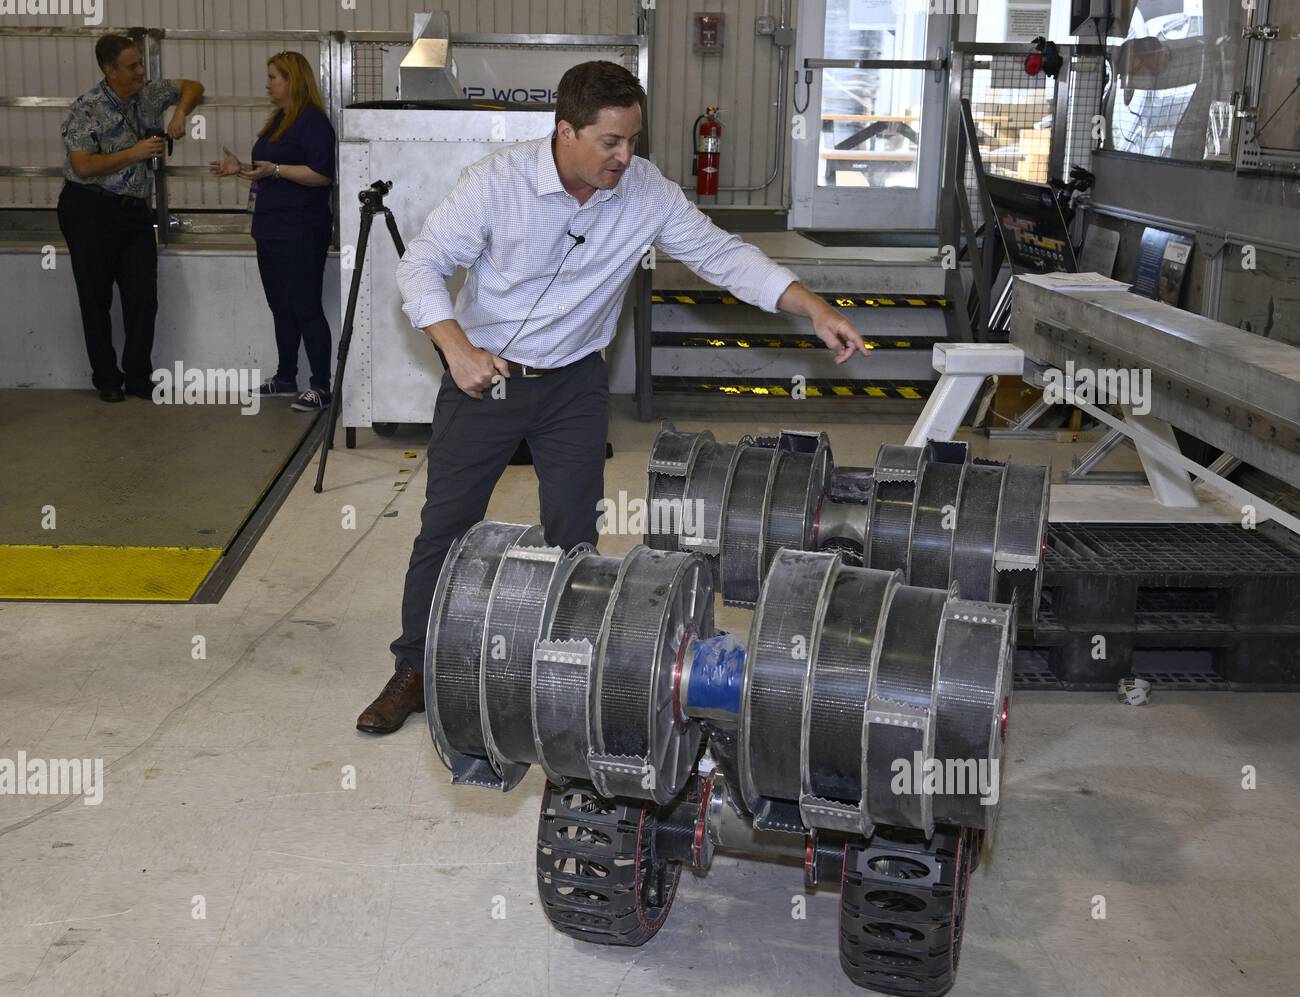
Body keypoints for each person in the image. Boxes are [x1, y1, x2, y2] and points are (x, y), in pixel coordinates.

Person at [356, 61, 867, 734]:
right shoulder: (496, 184)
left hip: (573, 382)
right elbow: (421, 264)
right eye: (611, 142)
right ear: (565, 132)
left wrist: (812, 306)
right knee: (446, 529)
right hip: (486, 375)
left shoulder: (645, 192)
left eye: (633, 140)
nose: (626, 157)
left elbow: (721, 256)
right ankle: (416, 667)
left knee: (574, 530)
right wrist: (455, 347)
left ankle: (559, 660)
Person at [58, 34, 203, 402]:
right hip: (91, 208)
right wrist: (134, 152)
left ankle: (138, 375)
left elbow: (192, 85)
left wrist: (181, 111)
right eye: (132, 66)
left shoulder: (149, 94)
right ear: (110, 71)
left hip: (135, 211)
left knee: (142, 296)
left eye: (142, 63)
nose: (142, 71)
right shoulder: (87, 108)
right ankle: (107, 378)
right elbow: (83, 164)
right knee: (96, 298)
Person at [210, 51, 336, 412]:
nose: (267, 85)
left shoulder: (313, 122)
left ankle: (320, 385)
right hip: (269, 227)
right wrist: (241, 168)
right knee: (280, 305)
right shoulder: (280, 119)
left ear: (292, 80)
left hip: (300, 228)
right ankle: (286, 376)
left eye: (273, 78)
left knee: (305, 305)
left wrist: (276, 170)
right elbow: (270, 167)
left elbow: (321, 174)